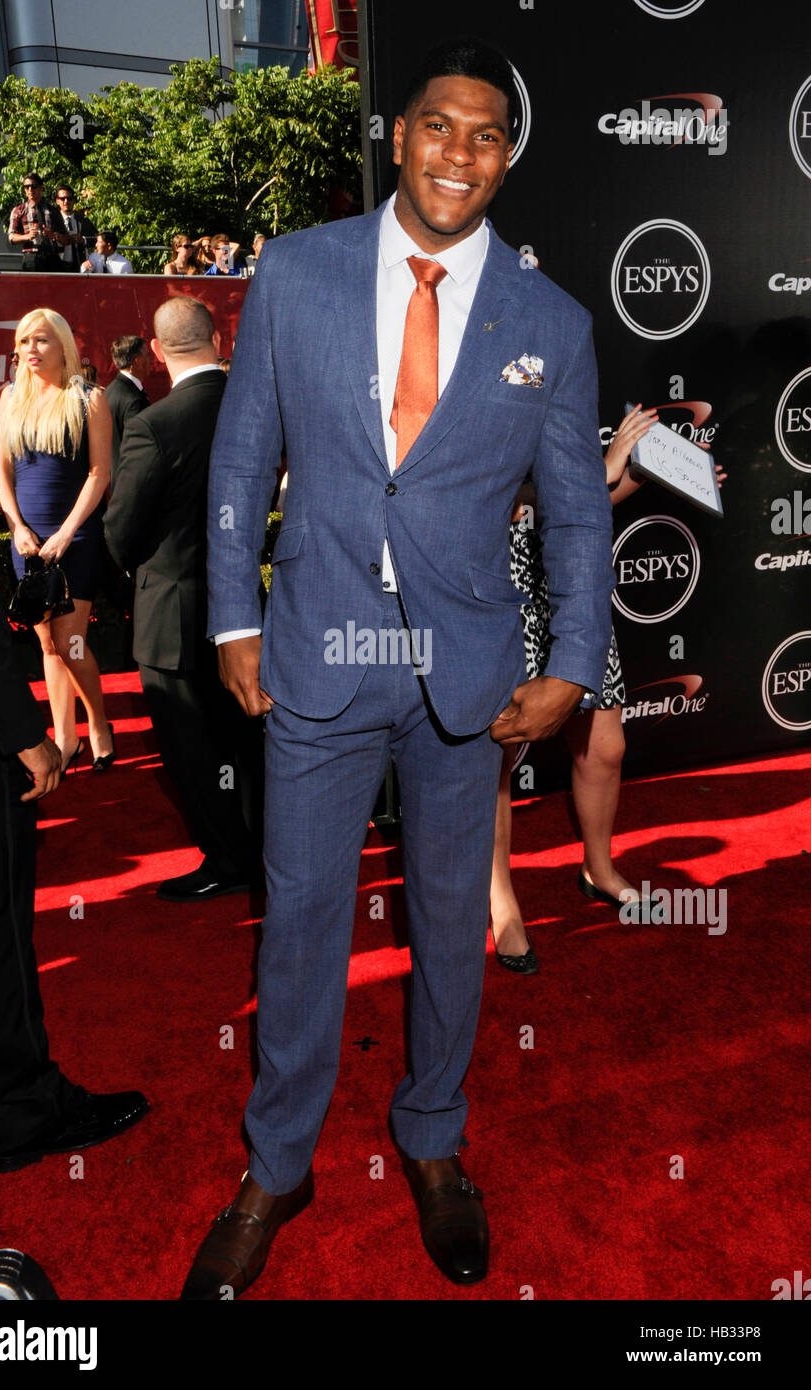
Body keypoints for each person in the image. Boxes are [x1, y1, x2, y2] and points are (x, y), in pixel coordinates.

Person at [180, 39, 615, 1299]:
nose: (457, 154)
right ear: (400, 133)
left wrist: (575, 657)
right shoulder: (300, 272)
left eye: (485, 136)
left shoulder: (552, 321)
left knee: (450, 927)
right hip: (314, 650)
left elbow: (579, 516)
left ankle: (432, 1142)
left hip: (465, 674)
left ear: (506, 157)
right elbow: (237, 461)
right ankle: (278, 1164)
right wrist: (228, 620)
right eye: (437, 126)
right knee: (300, 925)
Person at [0, 273, 148, 1173]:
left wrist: (51, 537)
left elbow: (98, 470)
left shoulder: (79, 400)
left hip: (58, 555)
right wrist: (19, 730)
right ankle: (23, 1109)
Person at [489, 409, 729, 971]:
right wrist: (605, 468)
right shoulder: (480, 391)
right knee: (496, 757)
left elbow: (589, 501)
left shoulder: (561, 395)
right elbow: (512, 501)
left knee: (604, 746)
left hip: (573, 583)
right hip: (501, 585)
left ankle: (599, 869)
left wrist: (665, 471)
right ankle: (499, 899)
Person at [105, 298, 263, 901]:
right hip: (244, 608)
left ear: (156, 347)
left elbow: (121, 532)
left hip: (172, 617)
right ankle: (263, 850)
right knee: (247, 740)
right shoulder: (254, 409)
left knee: (194, 751)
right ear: (218, 336)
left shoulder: (156, 423)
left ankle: (227, 859)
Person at [0, 307, 116, 773]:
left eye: (40, 340)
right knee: (46, 645)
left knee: (71, 643)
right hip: (26, 539)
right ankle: (66, 738)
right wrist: (17, 527)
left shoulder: (89, 399)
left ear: (62, 344)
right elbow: (2, 471)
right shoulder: (10, 399)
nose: (30, 350)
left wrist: (66, 531)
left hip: (75, 536)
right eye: (24, 341)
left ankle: (98, 724)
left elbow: (99, 473)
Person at [105, 335, 152, 484]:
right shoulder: (134, 399)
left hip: (117, 478)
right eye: (147, 355)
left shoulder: (110, 390)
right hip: (133, 482)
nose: (151, 361)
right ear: (137, 361)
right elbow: (140, 448)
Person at [7, 174, 65, 271]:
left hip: (52, 257)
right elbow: (11, 237)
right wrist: (27, 236)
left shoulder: (53, 211)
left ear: (41, 188)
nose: (30, 189)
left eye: (33, 186)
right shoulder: (19, 210)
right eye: (26, 187)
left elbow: (66, 239)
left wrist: (53, 235)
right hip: (30, 257)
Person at [54, 186, 96, 273]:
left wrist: (83, 240)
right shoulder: (52, 220)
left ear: (73, 200)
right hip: (57, 266)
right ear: (57, 201)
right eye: (62, 199)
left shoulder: (83, 220)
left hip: (78, 266)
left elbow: (98, 239)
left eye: (69, 198)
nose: (66, 201)